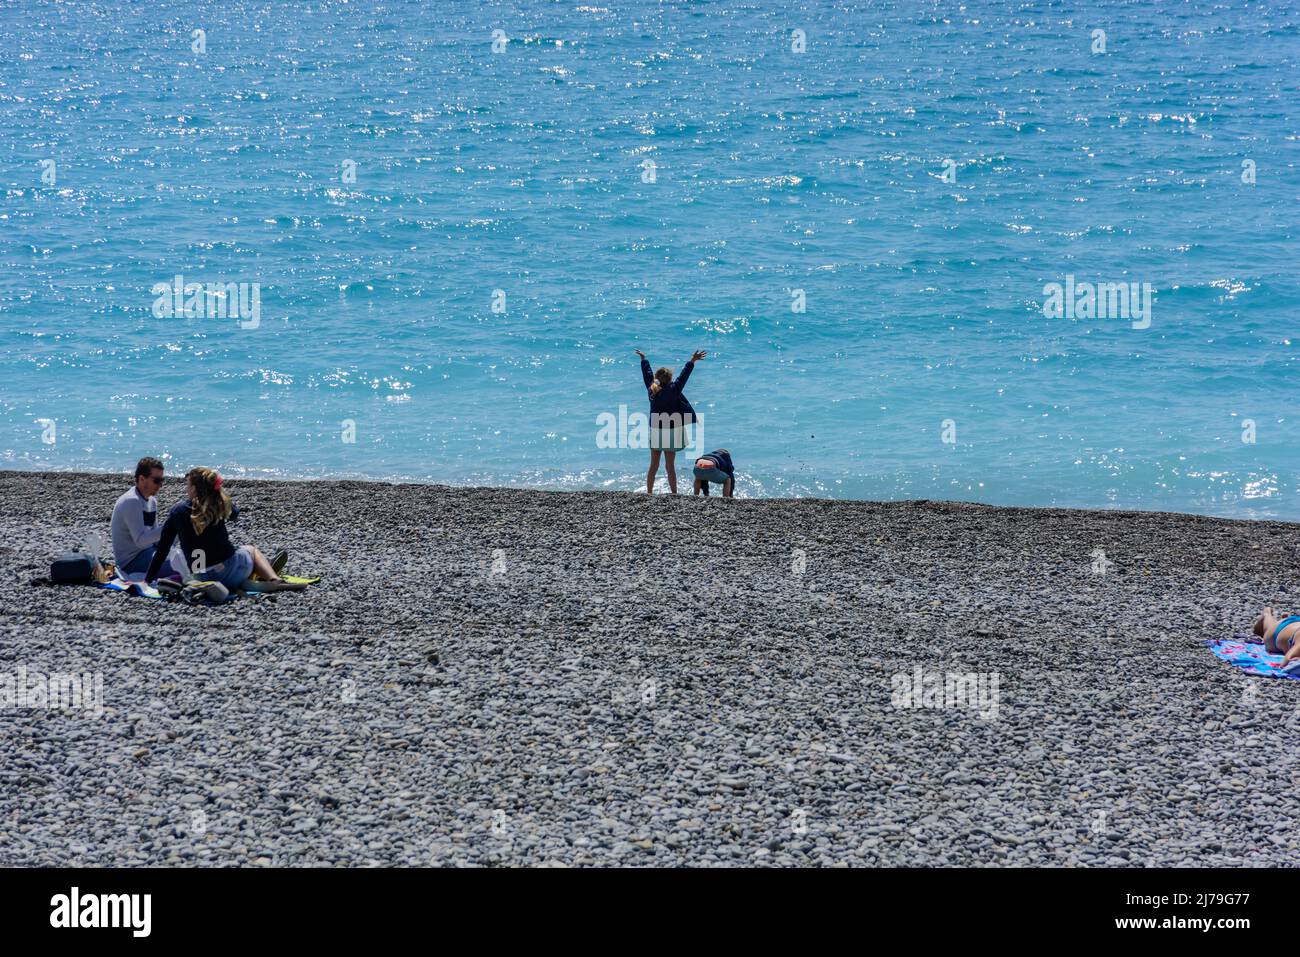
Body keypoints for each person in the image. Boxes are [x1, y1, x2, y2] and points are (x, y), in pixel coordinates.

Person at [145, 467, 301, 592]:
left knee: (198, 562)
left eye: (188, 485)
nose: (187, 489)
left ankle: (248, 578)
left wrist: (147, 580)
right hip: (232, 570)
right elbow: (235, 514)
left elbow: (162, 551)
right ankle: (272, 579)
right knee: (251, 550)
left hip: (202, 575)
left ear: (194, 489)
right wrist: (219, 495)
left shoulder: (177, 512)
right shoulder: (218, 503)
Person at [635, 348, 706, 494]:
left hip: (656, 430)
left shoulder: (652, 390)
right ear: (670, 379)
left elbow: (647, 376)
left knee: (653, 465)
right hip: (672, 431)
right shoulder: (675, 389)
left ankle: (649, 492)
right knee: (670, 466)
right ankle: (674, 493)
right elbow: (684, 376)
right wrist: (692, 361)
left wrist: (644, 360)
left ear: (657, 378)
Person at [111, 456, 173, 577]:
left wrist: (176, 533)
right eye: (156, 480)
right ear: (142, 479)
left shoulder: (152, 501)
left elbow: (155, 539)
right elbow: (141, 541)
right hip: (131, 563)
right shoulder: (131, 501)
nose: (160, 485)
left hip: (148, 553)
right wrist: (168, 527)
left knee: (183, 558)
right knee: (179, 566)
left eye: (162, 480)